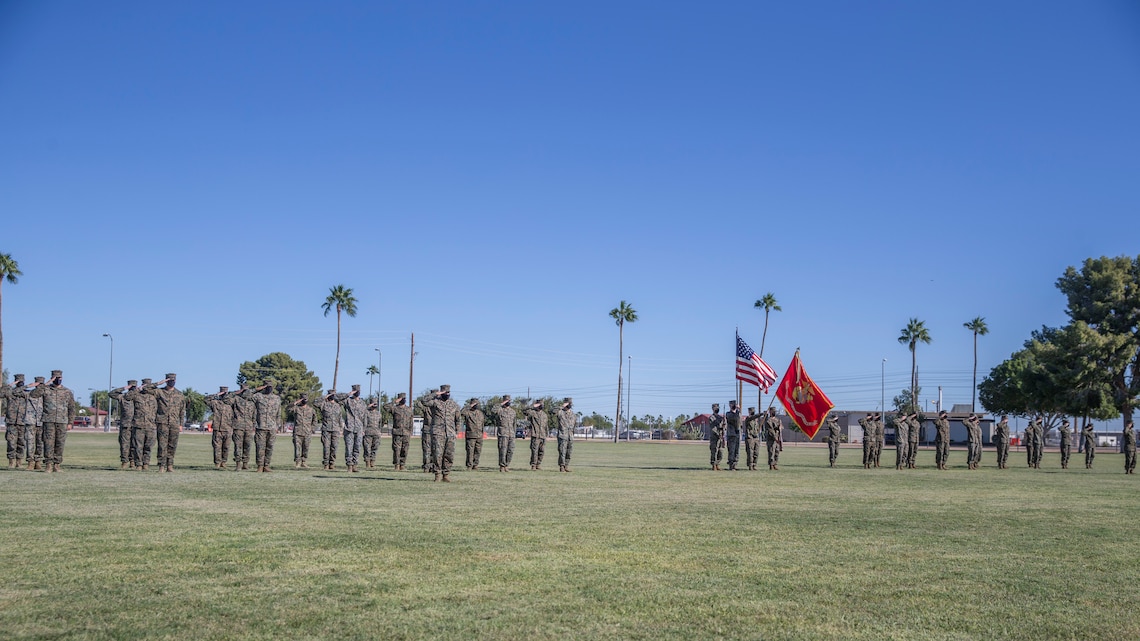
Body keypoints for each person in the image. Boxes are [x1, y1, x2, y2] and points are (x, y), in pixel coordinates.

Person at [29, 370, 75, 473]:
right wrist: (46, 383)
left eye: (60, 378)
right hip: (48, 420)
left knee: (60, 443)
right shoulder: (46, 389)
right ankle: (48, 465)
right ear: (52, 378)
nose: (58, 380)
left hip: (62, 421)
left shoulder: (67, 392)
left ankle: (57, 465)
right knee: (48, 443)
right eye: (56, 378)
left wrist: (70, 422)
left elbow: (71, 408)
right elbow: (33, 394)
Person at [422, 384, 461, 481]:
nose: (447, 394)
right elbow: (424, 401)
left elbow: (458, 420)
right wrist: (436, 394)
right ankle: (437, 474)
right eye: (445, 392)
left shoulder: (454, 405)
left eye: (448, 392)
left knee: (449, 455)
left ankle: (446, 474)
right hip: (438, 433)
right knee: (437, 454)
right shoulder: (435, 403)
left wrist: (456, 431)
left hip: (450, 433)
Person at [149, 374, 186, 473]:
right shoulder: (160, 392)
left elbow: (182, 411)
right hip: (162, 422)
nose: (172, 382)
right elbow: (146, 389)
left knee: (172, 445)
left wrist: (181, 424)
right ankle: (161, 465)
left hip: (174, 423)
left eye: (173, 380)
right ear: (166, 381)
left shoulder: (180, 394)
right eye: (170, 380)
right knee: (162, 445)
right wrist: (158, 383)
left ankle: (170, 465)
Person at [246, 380, 281, 472]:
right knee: (260, 447)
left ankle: (266, 465)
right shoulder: (258, 396)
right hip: (260, 426)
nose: (269, 388)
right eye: (267, 387)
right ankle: (260, 466)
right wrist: (259, 388)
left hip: (272, 427)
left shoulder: (277, 398)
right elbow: (246, 395)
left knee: (270, 447)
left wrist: (277, 425)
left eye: (270, 387)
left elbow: (278, 413)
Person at [126, 378, 157, 470]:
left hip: (151, 425)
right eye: (145, 385)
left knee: (148, 447)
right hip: (138, 425)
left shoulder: (154, 396)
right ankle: (138, 464)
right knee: (138, 446)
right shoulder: (137, 395)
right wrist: (137, 389)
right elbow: (127, 397)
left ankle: (146, 464)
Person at [336, 384, 367, 473]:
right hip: (349, 427)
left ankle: (355, 465)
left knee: (357, 447)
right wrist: (348, 394)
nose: (357, 392)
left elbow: (364, 416)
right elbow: (337, 398)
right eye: (355, 391)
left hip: (359, 428)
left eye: (358, 391)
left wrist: (364, 429)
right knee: (349, 448)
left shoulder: (363, 403)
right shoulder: (347, 401)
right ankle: (349, 465)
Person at [1, 373, 30, 468]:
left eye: (22, 381)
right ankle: (11, 461)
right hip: (11, 421)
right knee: (11, 442)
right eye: (19, 381)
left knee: (21, 442)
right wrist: (10, 384)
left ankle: (19, 461)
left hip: (22, 421)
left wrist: (24, 387)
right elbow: (1, 393)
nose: (21, 383)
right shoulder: (10, 392)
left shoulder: (25, 394)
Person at [109, 380, 139, 469]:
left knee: (135, 444)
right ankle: (124, 461)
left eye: (134, 387)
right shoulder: (123, 397)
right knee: (124, 444)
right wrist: (124, 388)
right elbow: (111, 394)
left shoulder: (139, 397)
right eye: (131, 387)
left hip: (137, 424)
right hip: (126, 424)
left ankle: (133, 461)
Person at [204, 386, 234, 469]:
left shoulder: (231, 403)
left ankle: (224, 462)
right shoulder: (215, 403)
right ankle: (217, 462)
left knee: (226, 447)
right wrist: (217, 394)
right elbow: (206, 399)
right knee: (217, 447)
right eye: (223, 392)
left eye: (225, 392)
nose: (224, 394)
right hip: (218, 428)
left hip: (228, 428)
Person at [313, 390, 342, 470]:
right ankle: (326, 463)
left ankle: (332, 463)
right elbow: (315, 403)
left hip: (336, 429)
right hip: (326, 429)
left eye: (334, 394)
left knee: (334, 447)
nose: (333, 396)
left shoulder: (338, 406)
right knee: (326, 447)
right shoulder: (324, 404)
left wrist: (341, 427)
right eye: (331, 394)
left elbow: (339, 417)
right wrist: (324, 397)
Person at [230, 383, 256, 471]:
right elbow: (226, 399)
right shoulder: (236, 399)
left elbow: (254, 415)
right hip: (238, 426)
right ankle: (238, 464)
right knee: (238, 446)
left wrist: (253, 425)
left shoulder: (252, 403)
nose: (247, 393)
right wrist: (238, 392)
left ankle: (245, 463)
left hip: (248, 427)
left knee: (248, 445)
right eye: (245, 391)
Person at [384, 393, 413, 471]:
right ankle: (396, 465)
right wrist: (394, 401)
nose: (403, 400)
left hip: (406, 432)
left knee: (405, 449)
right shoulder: (395, 409)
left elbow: (411, 421)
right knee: (396, 449)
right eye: (402, 398)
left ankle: (402, 464)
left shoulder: (409, 409)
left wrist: (411, 431)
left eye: (404, 398)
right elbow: (385, 407)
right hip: (397, 432)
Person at [291, 393, 317, 469]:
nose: (304, 401)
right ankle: (297, 462)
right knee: (297, 448)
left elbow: (315, 420)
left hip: (307, 432)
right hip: (298, 432)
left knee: (306, 448)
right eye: (303, 399)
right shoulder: (296, 408)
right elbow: (288, 408)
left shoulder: (311, 409)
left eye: (305, 399)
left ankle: (303, 462)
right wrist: (296, 402)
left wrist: (312, 429)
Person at [493, 395, 516, 472]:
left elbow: (514, 424)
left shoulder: (513, 412)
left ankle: (507, 465)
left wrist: (514, 434)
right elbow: (493, 410)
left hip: (511, 434)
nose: (508, 402)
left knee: (511, 450)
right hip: (503, 434)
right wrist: (501, 404)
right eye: (506, 400)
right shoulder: (500, 410)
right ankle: (502, 466)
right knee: (502, 450)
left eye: (509, 400)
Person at [416, 389, 438, 472]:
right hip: (427, 430)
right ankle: (426, 466)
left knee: (435, 450)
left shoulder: (438, 405)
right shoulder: (426, 407)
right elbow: (419, 403)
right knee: (427, 450)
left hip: (436, 431)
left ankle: (433, 466)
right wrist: (431, 396)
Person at [524, 399, 548, 471]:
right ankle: (533, 465)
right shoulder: (533, 413)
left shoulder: (544, 415)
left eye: (542, 404)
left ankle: (538, 464)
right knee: (534, 451)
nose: (542, 406)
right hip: (535, 435)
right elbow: (525, 411)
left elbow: (546, 426)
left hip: (543, 435)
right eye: (540, 404)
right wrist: (533, 405)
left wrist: (546, 435)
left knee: (542, 451)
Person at [461, 398, 485, 471]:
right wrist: (469, 406)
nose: (476, 405)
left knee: (478, 451)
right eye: (475, 404)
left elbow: (482, 424)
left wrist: (482, 433)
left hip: (479, 435)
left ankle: (475, 465)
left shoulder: (480, 413)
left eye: (477, 404)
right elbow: (461, 412)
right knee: (470, 451)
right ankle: (469, 465)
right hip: (471, 435)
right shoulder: (467, 412)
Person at [555, 397, 575, 473]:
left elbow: (574, 426)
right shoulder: (560, 412)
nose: (569, 405)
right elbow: (552, 411)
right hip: (562, 435)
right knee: (562, 452)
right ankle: (562, 466)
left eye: (570, 403)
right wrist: (562, 406)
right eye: (568, 403)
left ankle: (566, 466)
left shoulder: (573, 414)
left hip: (570, 436)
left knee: (569, 452)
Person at [362, 400, 383, 469]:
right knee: (367, 448)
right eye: (373, 403)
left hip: (376, 433)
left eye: (376, 404)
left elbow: (380, 424)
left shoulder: (378, 413)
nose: (374, 405)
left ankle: (372, 461)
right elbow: (364, 421)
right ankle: (367, 462)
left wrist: (380, 432)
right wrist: (363, 431)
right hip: (368, 432)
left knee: (375, 448)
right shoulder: (366, 412)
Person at [724, 400, 742, 471]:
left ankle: (735, 464)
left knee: (737, 451)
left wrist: (738, 411)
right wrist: (737, 411)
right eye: (732, 404)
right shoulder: (728, 414)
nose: (733, 405)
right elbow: (733, 418)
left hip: (737, 434)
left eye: (734, 404)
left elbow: (739, 420)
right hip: (731, 434)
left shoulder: (738, 414)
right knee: (731, 450)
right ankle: (731, 465)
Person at [744, 407, 762, 471]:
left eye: (753, 410)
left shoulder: (756, 421)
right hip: (750, 438)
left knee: (756, 452)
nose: (753, 411)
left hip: (756, 437)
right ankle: (750, 465)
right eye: (751, 411)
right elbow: (753, 417)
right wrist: (761, 414)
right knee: (750, 452)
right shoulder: (748, 418)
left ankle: (754, 465)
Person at [708, 403, 725, 471]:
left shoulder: (721, 418)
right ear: (713, 409)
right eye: (715, 408)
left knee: (720, 451)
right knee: (714, 451)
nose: (717, 409)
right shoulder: (711, 417)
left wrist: (724, 423)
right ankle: (713, 465)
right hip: (714, 436)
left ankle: (718, 463)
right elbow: (714, 425)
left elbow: (724, 426)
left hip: (720, 437)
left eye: (717, 407)